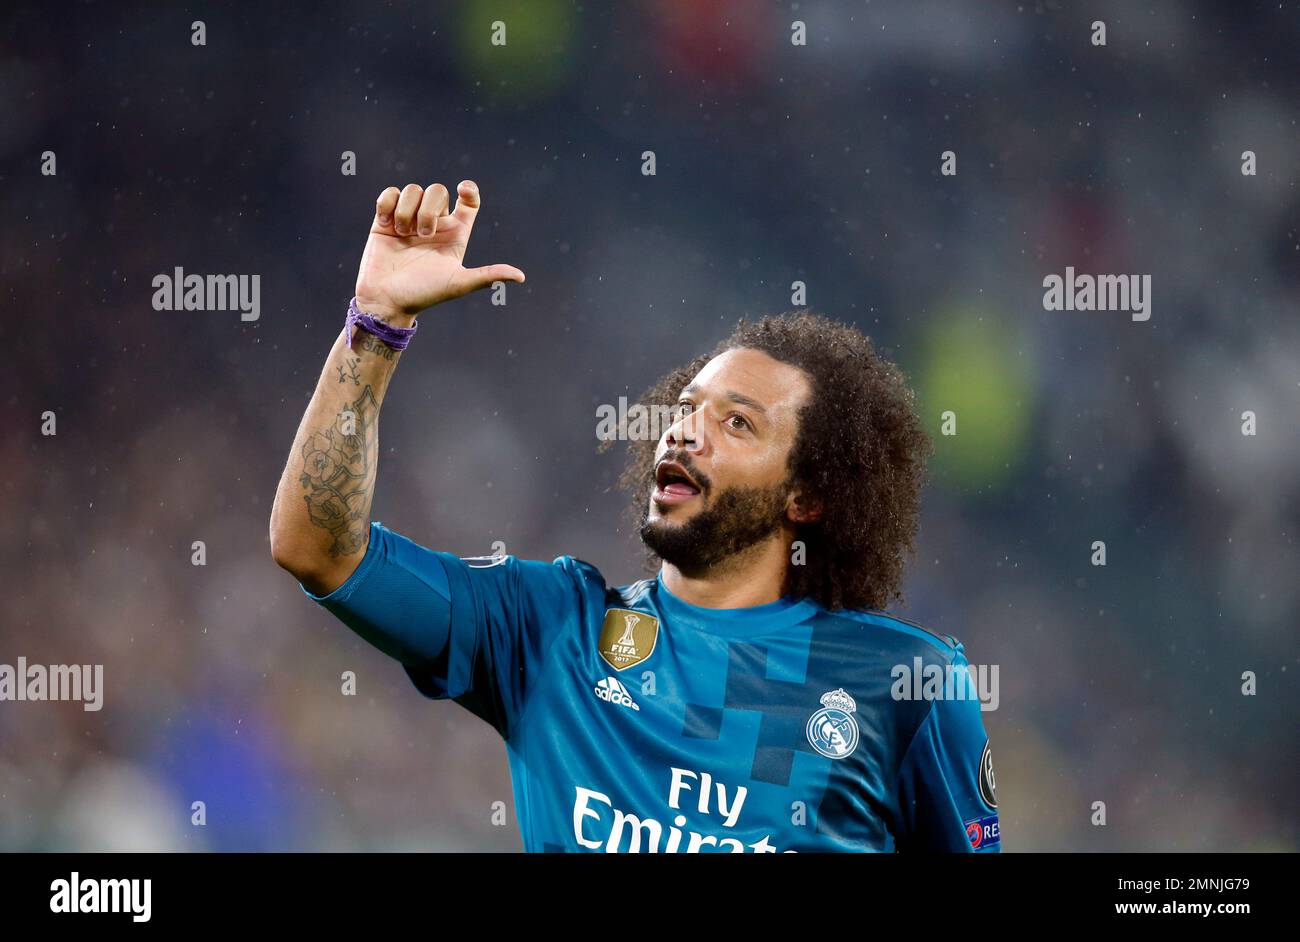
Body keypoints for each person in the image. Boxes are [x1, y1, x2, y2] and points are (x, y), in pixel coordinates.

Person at [270, 181, 1001, 852]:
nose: (684, 432)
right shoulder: (551, 629)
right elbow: (320, 550)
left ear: (806, 497)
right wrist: (377, 326)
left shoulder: (908, 684)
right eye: (685, 411)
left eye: (738, 424)